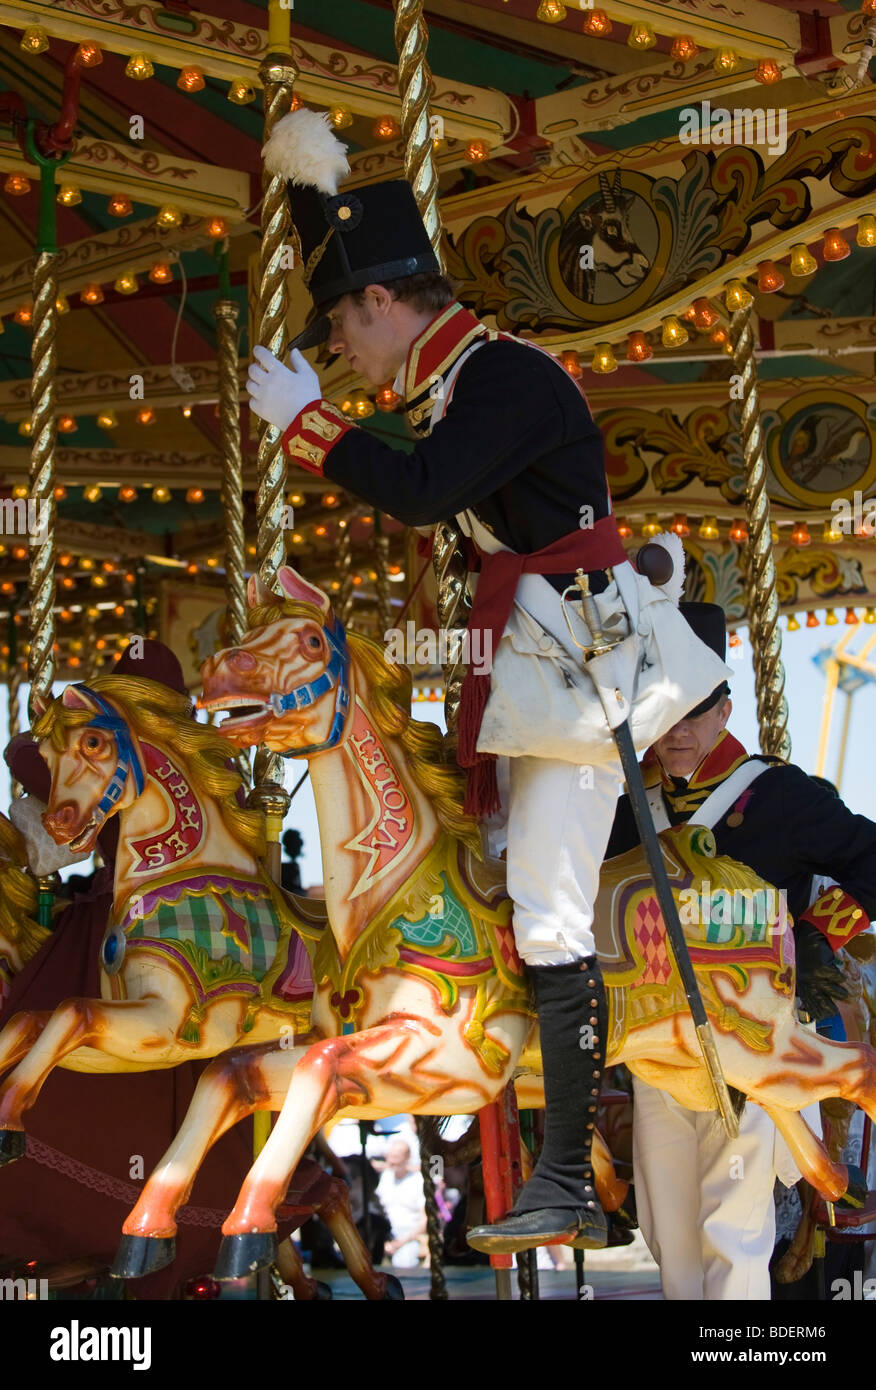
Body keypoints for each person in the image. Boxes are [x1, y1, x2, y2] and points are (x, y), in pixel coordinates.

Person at [246, 108, 726, 1255]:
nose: (346, 358)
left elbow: (421, 489)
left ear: (379, 303)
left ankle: (563, 1171)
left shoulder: (503, 376)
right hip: (546, 674)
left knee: (552, 915)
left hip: (584, 685)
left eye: (341, 331)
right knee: (520, 898)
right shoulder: (464, 383)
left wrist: (308, 430)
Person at [606, 602, 876, 1300]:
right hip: (656, 1051)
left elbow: (870, 859)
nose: (680, 731)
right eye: (665, 712)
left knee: (734, 1230)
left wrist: (813, 942)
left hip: (750, 1043)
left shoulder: (779, 795)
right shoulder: (621, 808)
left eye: (696, 711)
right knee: (668, 1236)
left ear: (726, 711)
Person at [375, 1138, 427, 1268]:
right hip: (386, 1232)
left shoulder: (417, 1181)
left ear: (407, 1158)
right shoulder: (386, 1177)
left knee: (404, 1262)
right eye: (390, 1156)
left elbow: (425, 1220)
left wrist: (402, 1241)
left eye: (396, 1157)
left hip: (409, 1235)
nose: (391, 1161)